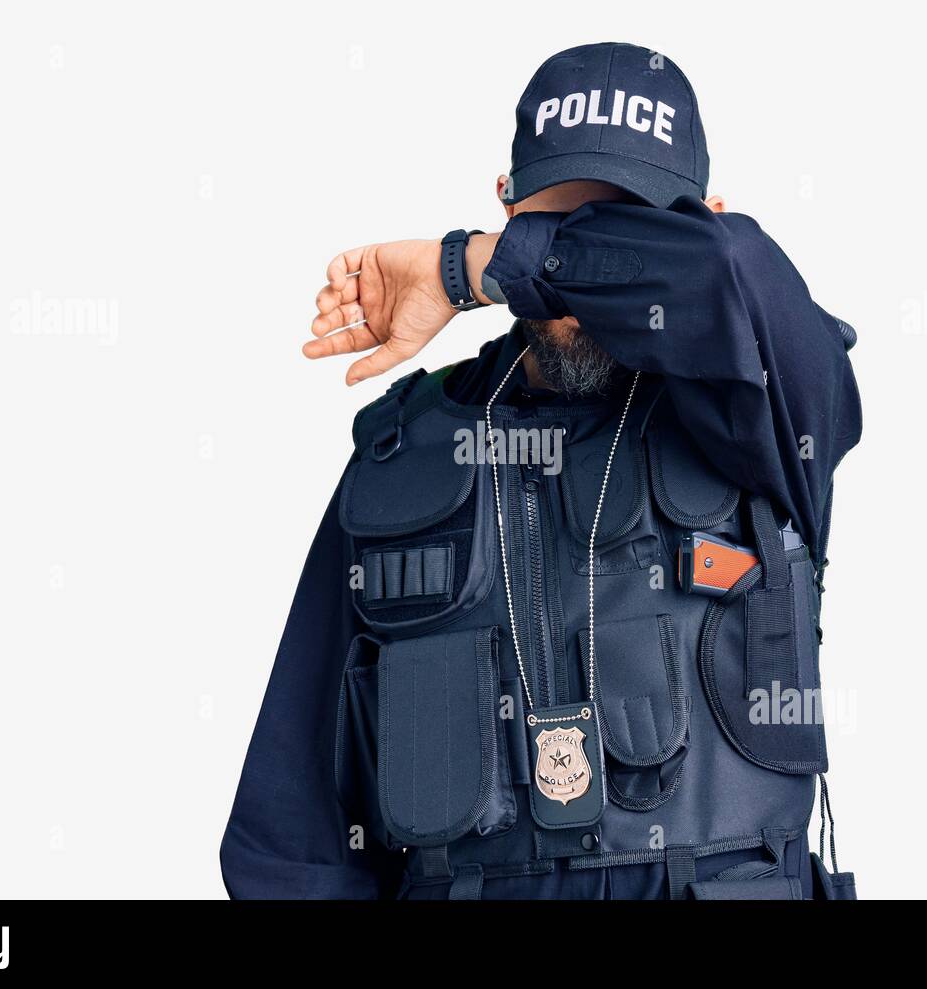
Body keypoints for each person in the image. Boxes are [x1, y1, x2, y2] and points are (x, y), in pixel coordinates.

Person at [221, 41, 862, 900]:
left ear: (703, 218)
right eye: (558, 217)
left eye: (625, 223)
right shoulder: (405, 452)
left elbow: (730, 271)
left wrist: (471, 268)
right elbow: (290, 840)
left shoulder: (770, 406)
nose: (577, 289)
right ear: (509, 202)